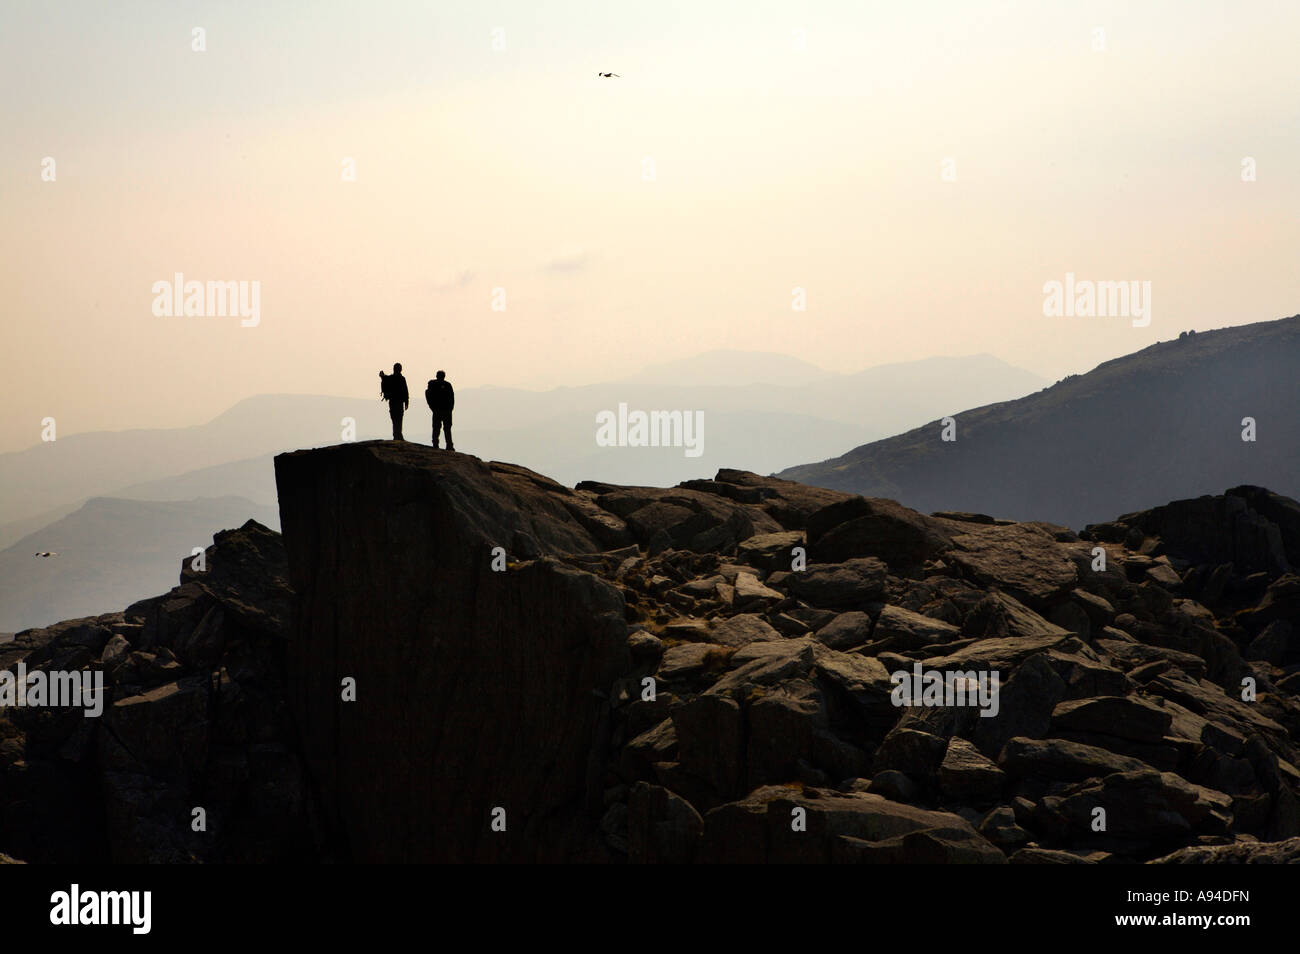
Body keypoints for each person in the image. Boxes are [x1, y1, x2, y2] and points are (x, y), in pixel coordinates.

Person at [425, 370, 455, 450]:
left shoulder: (433, 384)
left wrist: (432, 407)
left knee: (437, 428)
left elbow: (428, 394)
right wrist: (450, 408)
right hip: (444, 410)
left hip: (439, 410)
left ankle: (437, 444)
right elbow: (452, 398)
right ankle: (448, 445)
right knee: (445, 428)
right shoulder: (446, 385)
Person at [379, 363, 409, 440]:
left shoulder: (390, 378)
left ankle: (397, 434)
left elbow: (384, 378)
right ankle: (398, 435)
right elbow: (405, 391)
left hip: (393, 401)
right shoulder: (402, 379)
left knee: (395, 418)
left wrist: (382, 376)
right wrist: (406, 401)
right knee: (398, 418)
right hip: (398, 402)